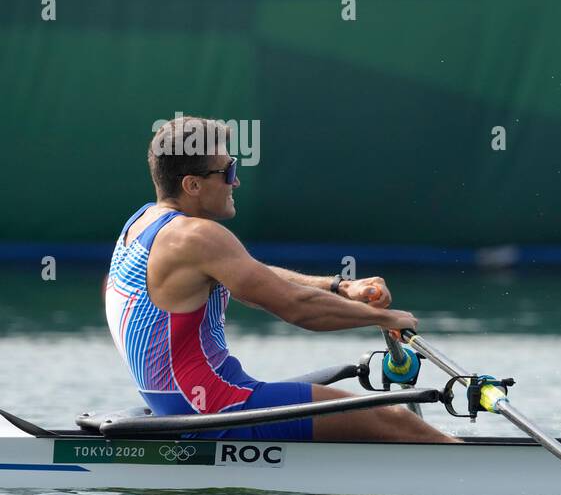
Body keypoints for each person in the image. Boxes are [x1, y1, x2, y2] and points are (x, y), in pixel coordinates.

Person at [105, 115, 456, 443]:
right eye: (228, 171)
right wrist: (385, 318)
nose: (236, 181)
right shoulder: (197, 236)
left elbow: (253, 276)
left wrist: (340, 287)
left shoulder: (143, 223)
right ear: (193, 184)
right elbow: (297, 309)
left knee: (370, 420)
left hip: (182, 401)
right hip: (213, 405)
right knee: (398, 421)